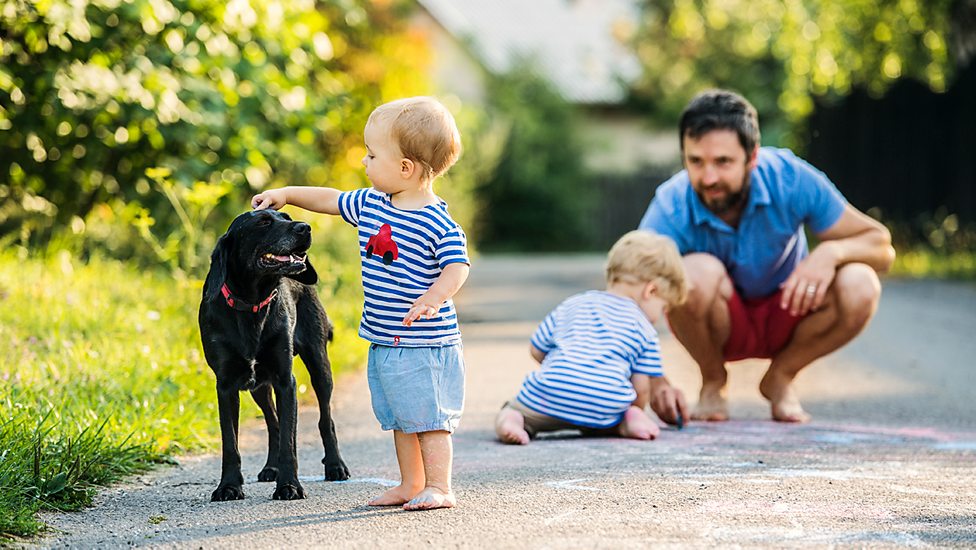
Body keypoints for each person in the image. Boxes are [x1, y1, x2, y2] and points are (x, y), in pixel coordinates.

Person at [251, 96, 468, 511]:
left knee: (430, 420)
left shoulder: (437, 221)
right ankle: (410, 483)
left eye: (372, 155)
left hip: (426, 344)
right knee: (401, 418)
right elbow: (331, 199)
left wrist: (434, 298)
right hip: (387, 339)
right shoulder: (371, 204)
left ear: (405, 168)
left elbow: (457, 267)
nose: (364, 162)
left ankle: (439, 486)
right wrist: (286, 194)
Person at [638, 89, 895, 423]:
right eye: (696, 161)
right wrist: (655, 380)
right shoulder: (671, 203)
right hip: (720, 323)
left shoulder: (790, 178)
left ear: (753, 157)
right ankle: (713, 380)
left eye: (723, 162)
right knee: (694, 272)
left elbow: (882, 247)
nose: (708, 177)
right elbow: (630, 294)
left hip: (791, 310)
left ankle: (781, 377)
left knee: (861, 284)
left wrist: (831, 252)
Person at [495, 230, 690, 445]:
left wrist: (568, 369)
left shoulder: (573, 304)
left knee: (513, 410)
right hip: (604, 406)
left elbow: (536, 349)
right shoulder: (644, 328)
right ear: (651, 291)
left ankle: (512, 421)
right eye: (663, 308)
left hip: (550, 396)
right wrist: (635, 409)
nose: (659, 317)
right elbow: (641, 388)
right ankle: (628, 422)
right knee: (617, 416)